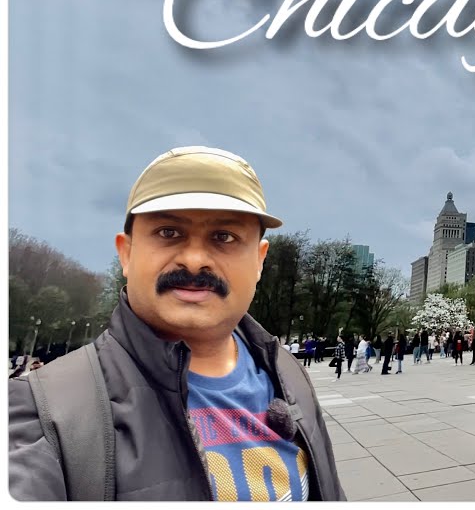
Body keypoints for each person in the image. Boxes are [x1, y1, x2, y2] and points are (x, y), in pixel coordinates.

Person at [8, 146, 344, 500]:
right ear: (126, 253)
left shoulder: (287, 373)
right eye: (169, 232)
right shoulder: (44, 414)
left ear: (259, 261)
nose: (196, 260)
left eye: (224, 236)